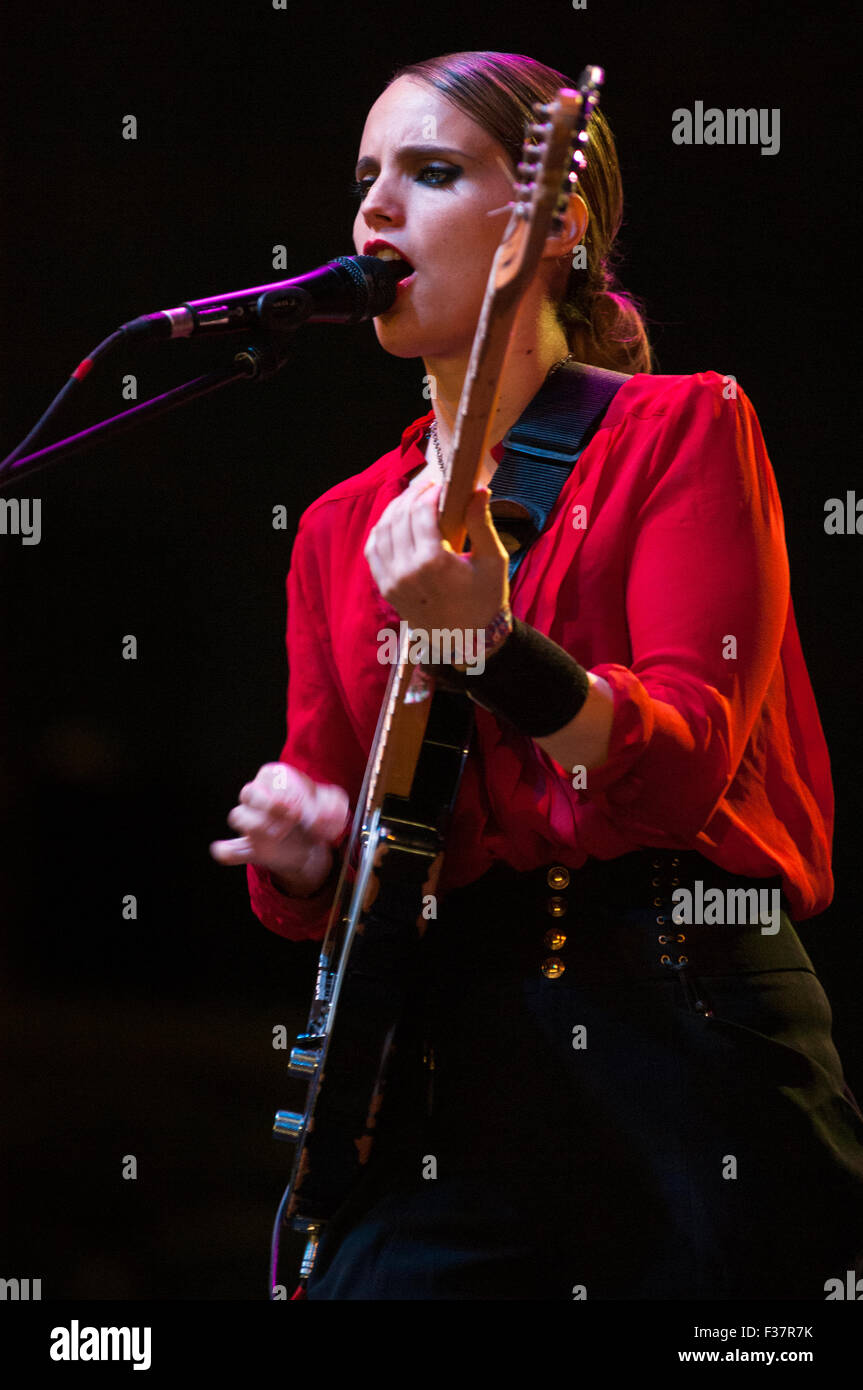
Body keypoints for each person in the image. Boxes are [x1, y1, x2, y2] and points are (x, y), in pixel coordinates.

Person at [210, 50, 863, 1300]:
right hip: (444, 1053)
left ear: (554, 225)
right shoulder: (341, 526)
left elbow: (681, 767)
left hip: (681, 1012)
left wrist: (492, 648)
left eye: (429, 172)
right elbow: (343, 823)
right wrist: (303, 843)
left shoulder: (679, 428)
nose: (373, 209)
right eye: (364, 178)